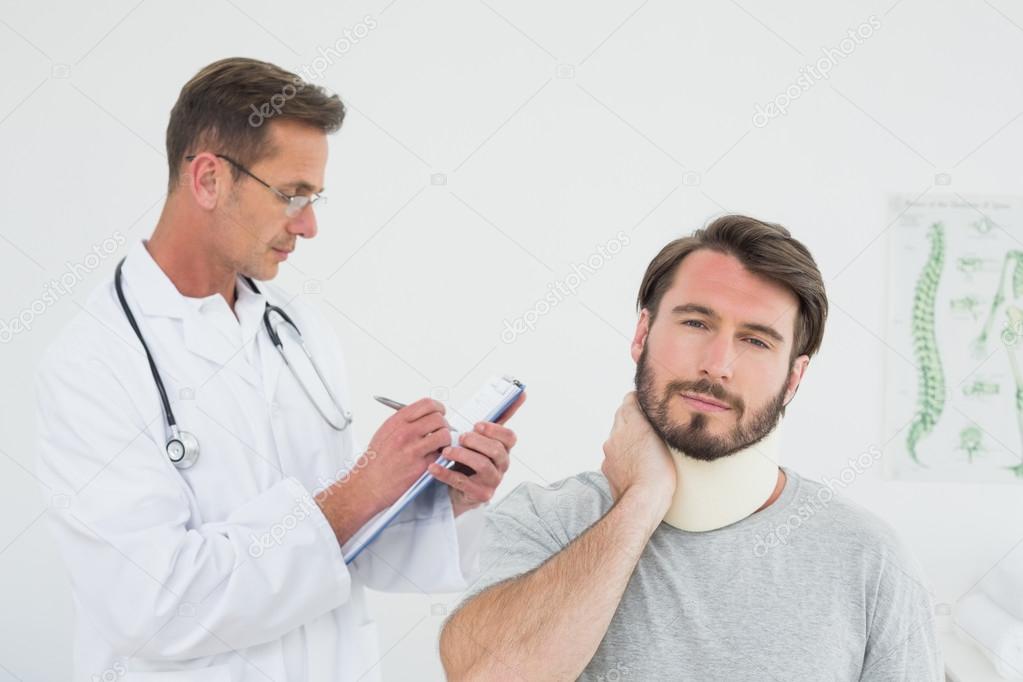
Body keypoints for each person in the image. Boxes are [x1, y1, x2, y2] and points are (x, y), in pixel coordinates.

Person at [34, 57, 523, 681]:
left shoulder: (296, 328)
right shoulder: (92, 364)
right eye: (292, 195)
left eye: (315, 198)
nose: (311, 225)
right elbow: (151, 606)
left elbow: (344, 551)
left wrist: (442, 498)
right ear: (208, 179)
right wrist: (361, 489)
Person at [439, 215, 941, 680]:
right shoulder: (546, 520)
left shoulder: (867, 559)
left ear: (794, 378)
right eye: (696, 323)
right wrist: (642, 500)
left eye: (757, 341)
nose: (717, 364)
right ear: (642, 333)